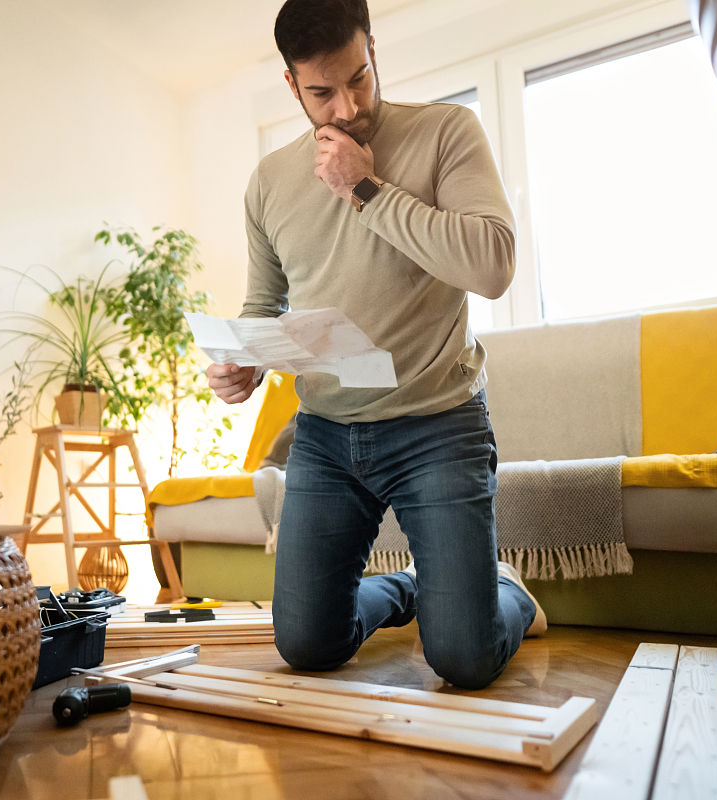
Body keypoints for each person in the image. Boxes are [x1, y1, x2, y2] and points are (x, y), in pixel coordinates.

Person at [206, 0, 545, 690]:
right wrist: (243, 362)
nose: (346, 107)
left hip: (439, 425)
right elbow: (264, 305)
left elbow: (493, 266)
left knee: (465, 658)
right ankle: (413, 590)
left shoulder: (447, 131)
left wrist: (365, 186)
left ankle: (504, 594)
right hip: (327, 437)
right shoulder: (268, 183)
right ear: (291, 85)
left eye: (358, 78)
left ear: (373, 51)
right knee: (306, 643)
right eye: (322, 92)